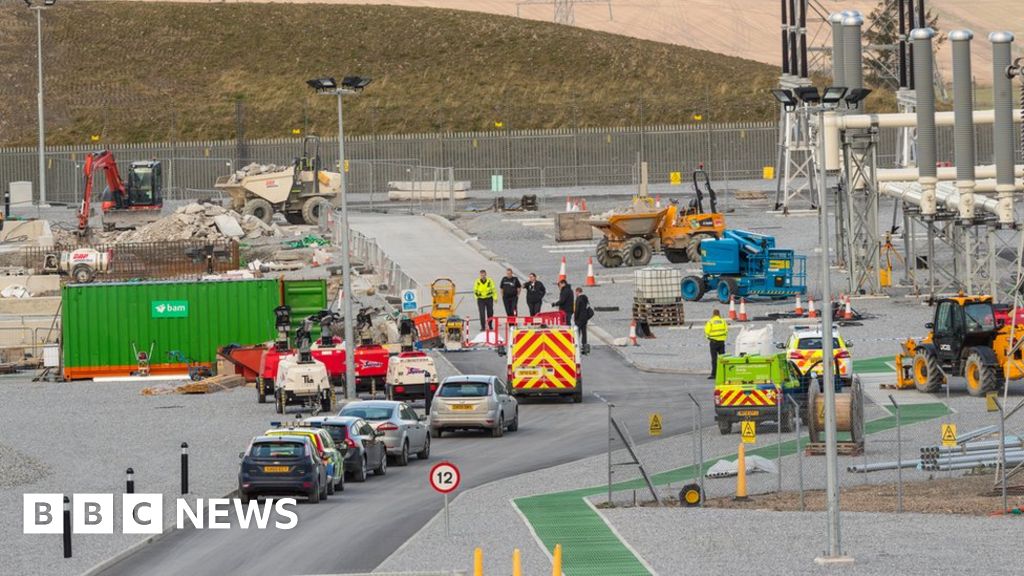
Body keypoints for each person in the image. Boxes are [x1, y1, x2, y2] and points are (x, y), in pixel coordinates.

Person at [704, 309, 729, 379]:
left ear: (713, 314)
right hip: (721, 342)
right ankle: (724, 373)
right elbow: (726, 330)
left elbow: (707, 331)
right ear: (719, 314)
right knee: (723, 359)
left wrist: (708, 337)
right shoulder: (723, 321)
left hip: (713, 342)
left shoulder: (710, 322)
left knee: (714, 359)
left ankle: (714, 374)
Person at [573, 287, 594, 354]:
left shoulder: (578, 299)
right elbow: (588, 307)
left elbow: (577, 310)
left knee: (577, 332)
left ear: (578, 292)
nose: (575, 294)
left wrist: (575, 318)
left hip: (579, 318)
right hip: (585, 318)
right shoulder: (585, 298)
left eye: (576, 292)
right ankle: (584, 345)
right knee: (584, 332)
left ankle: (577, 344)